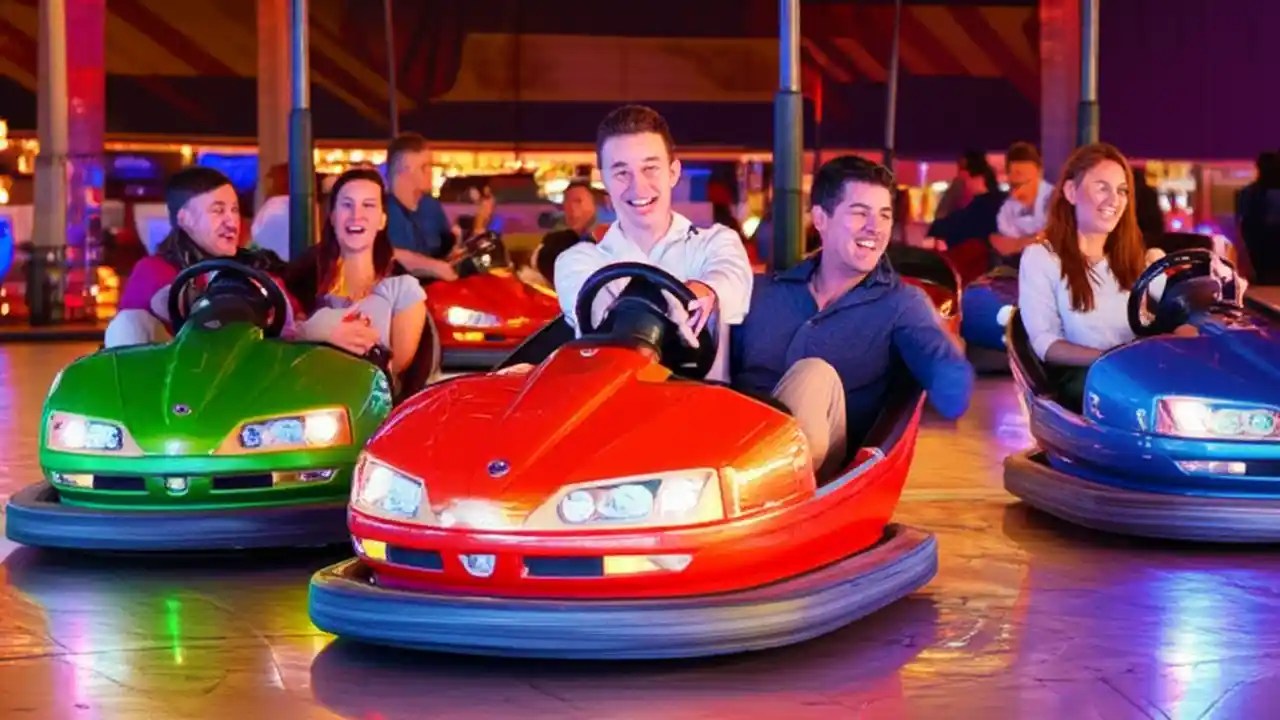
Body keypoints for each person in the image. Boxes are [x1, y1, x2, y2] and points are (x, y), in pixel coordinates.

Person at [731, 156, 974, 481]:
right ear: (821, 218)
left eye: (884, 215)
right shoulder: (761, 292)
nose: (875, 227)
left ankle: (767, 483)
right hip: (732, 456)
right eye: (860, 213)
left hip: (818, 481)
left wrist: (943, 348)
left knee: (815, 375)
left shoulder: (902, 305)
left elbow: (953, 395)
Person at [1018, 142, 1245, 409]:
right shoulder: (1041, 258)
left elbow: (1171, 315)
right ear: (1071, 191)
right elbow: (1047, 344)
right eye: (1102, 187)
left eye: (1122, 191)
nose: (1114, 200)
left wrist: (1210, 313)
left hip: (1140, 374)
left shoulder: (1136, 259)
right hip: (1088, 378)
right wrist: (1113, 360)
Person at [553, 105, 753, 381]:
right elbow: (594, 310)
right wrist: (673, 304)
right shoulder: (579, 261)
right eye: (622, 173)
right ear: (604, 181)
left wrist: (705, 291)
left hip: (703, 412)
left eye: (650, 169)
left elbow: (731, 282)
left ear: (673, 172)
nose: (638, 187)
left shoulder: (715, 243)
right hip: (614, 412)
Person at [103, 166, 373, 357]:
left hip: (251, 382)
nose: (231, 220)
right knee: (129, 323)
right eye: (218, 210)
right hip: (184, 384)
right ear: (184, 218)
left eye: (234, 210)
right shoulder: (155, 270)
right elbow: (180, 314)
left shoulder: (256, 270)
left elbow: (295, 318)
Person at [286, 167, 428, 376]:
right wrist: (311, 331)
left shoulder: (403, 290)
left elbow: (392, 376)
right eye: (347, 205)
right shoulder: (304, 282)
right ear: (333, 217)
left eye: (368, 205)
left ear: (382, 220)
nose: (356, 215)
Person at [383, 132, 460, 281]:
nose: (431, 173)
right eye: (425, 167)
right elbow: (385, 255)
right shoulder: (380, 211)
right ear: (403, 171)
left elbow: (447, 251)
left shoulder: (430, 206)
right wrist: (433, 267)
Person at [990, 141, 1054, 260]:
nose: (1018, 191)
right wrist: (1033, 240)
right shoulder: (1007, 209)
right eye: (1014, 185)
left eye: (1024, 183)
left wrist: (1019, 243)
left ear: (1039, 173)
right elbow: (1002, 245)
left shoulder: (1057, 201)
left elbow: (1054, 239)